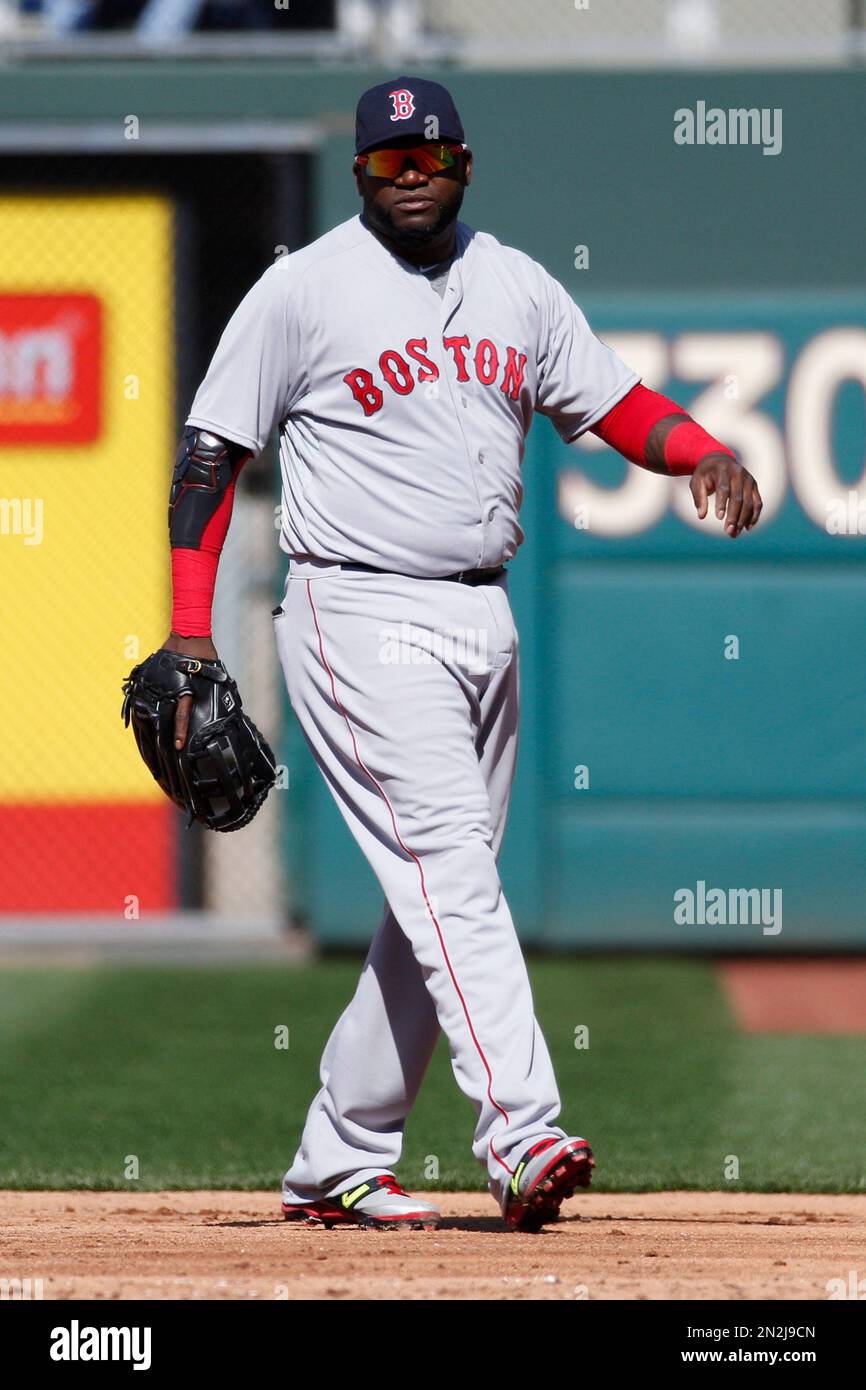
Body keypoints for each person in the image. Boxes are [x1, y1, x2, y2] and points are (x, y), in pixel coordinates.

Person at [165, 75, 762, 1231]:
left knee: (433, 901)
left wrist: (699, 450)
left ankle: (338, 1153)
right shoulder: (303, 290)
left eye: (430, 155)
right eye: (390, 161)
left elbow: (612, 401)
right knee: (450, 871)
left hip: (481, 617)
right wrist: (192, 632)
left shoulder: (516, 284)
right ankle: (521, 1130)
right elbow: (209, 458)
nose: (413, 174)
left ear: (465, 163)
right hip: (356, 608)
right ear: (359, 175)